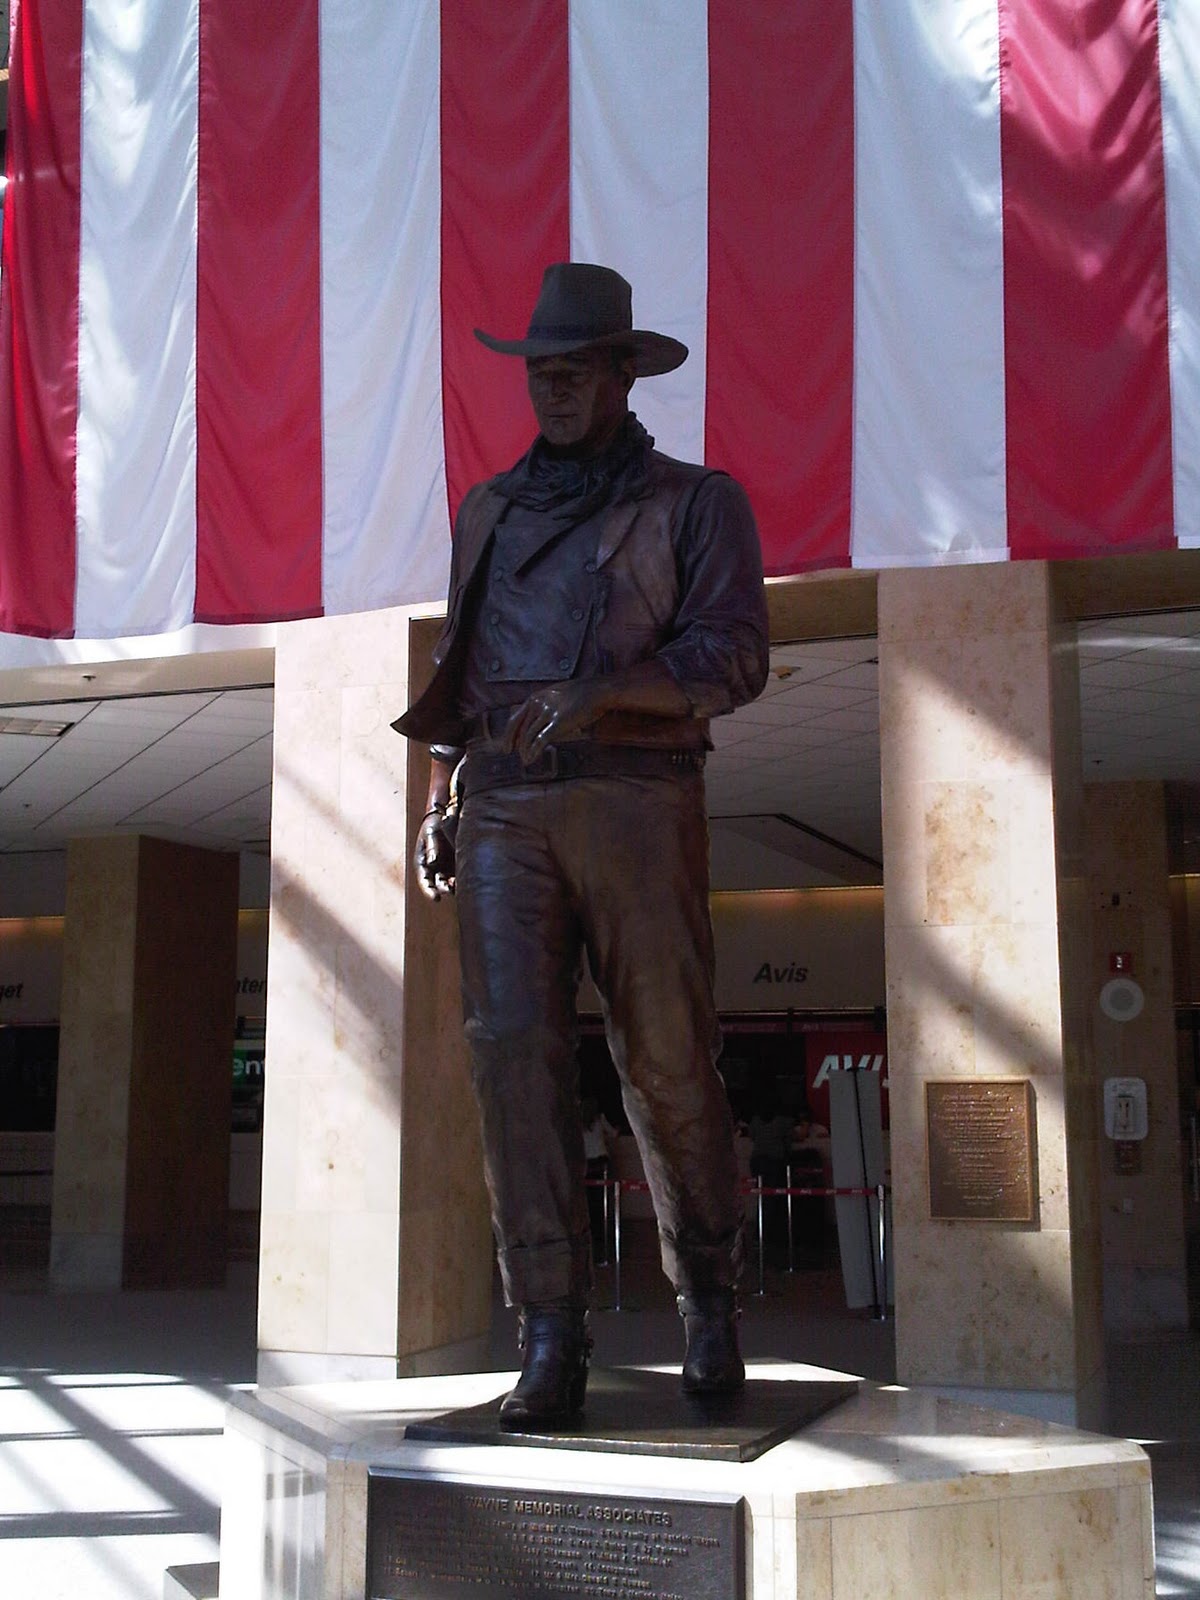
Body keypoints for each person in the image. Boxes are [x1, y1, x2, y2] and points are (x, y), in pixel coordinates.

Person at [393, 262, 768, 1427]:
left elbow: (735, 655)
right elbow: (465, 664)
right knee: (510, 1056)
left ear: (622, 374)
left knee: (666, 1057)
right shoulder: (489, 511)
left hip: (637, 799)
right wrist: (443, 791)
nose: (551, 390)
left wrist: (605, 695)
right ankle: (549, 1328)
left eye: (573, 371)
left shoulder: (696, 502)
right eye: (539, 372)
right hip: (505, 802)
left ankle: (709, 1296)